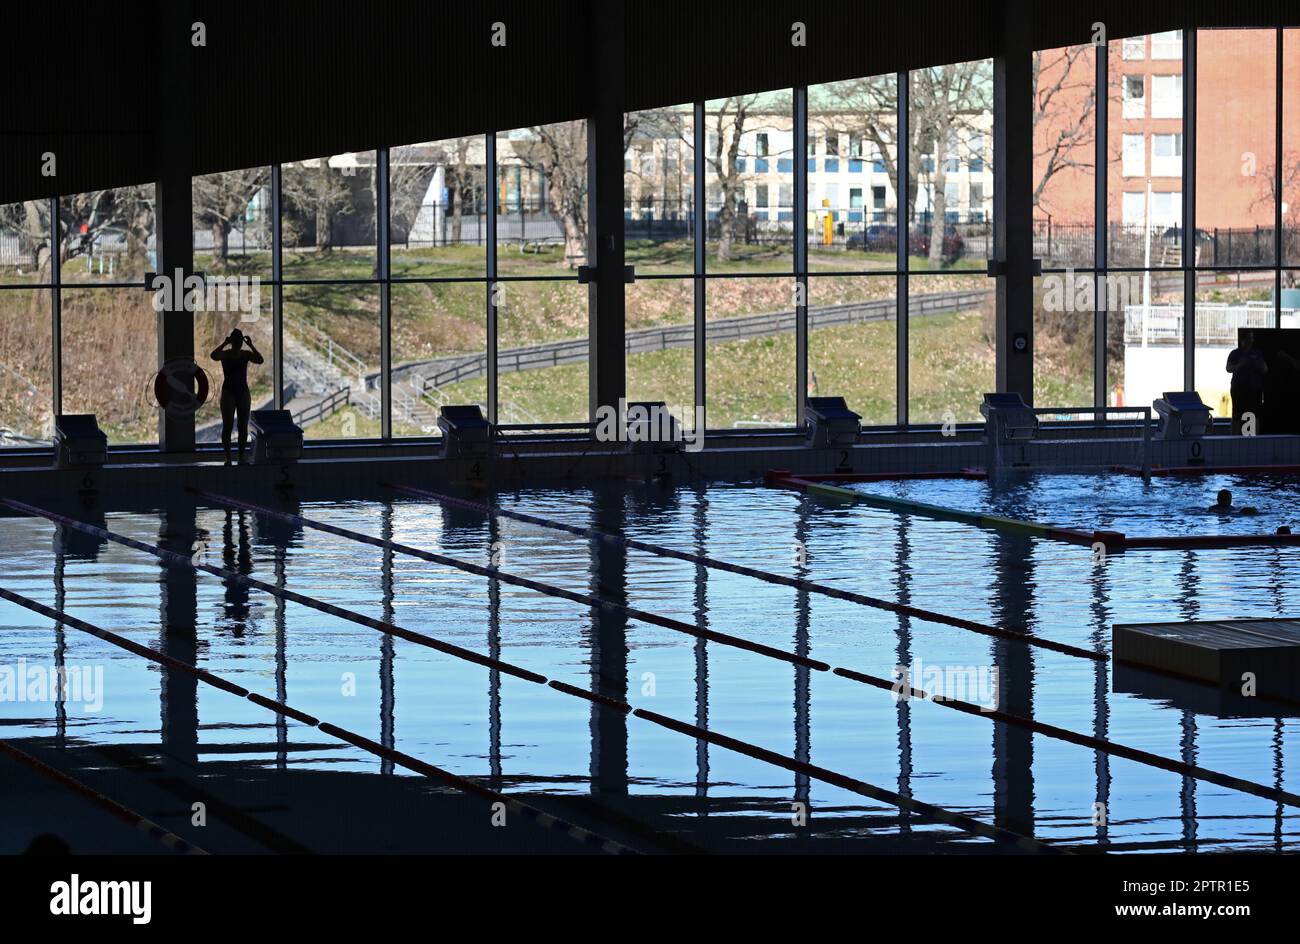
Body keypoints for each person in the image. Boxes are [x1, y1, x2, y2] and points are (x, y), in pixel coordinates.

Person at [210, 329, 264, 465]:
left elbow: (260, 360)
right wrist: (225, 343)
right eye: (237, 341)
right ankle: (229, 458)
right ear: (234, 342)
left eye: (239, 341)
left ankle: (240, 457)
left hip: (241, 391)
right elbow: (213, 356)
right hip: (230, 392)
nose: (238, 343)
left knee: (241, 426)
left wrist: (251, 345)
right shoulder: (227, 355)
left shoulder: (244, 355)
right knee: (228, 426)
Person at [1226, 330, 1268, 434]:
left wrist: (1260, 365)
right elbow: (1228, 368)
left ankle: (1253, 439)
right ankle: (1234, 438)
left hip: (1254, 389)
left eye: (1252, 338)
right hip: (1239, 389)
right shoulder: (1235, 353)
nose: (1251, 341)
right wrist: (1239, 365)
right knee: (1237, 414)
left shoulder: (1257, 353)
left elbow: (1265, 369)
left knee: (1254, 414)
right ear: (1242, 339)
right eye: (1248, 338)